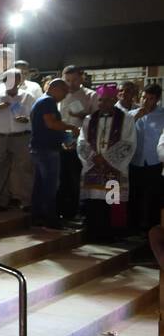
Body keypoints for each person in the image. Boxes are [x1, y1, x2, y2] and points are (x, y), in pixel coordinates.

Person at [78, 84, 136, 242]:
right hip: (93, 167)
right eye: (101, 100)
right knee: (94, 202)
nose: (104, 104)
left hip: (114, 168)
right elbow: (81, 141)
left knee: (111, 201)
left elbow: (129, 143)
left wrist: (107, 159)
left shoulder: (126, 119)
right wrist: (93, 157)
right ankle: (93, 233)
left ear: (114, 99)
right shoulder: (90, 119)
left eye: (108, 100)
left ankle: (110, 235)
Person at [29, 78, 82, 230]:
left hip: (40, 148)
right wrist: (71, 127)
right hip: (47, 150)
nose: (65, 95)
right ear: (55, 88)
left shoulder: (41, 101)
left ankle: (37, 216)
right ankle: (51, 219)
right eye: (64, 91)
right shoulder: (48, 102)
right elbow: (51, 123)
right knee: (50, 186)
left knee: (40, 185)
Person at [0, 67, 41, 209]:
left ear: (20, 82)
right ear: (4, 81)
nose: (13, 83)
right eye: (10, 80)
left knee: (25, 169)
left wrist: (27, 120)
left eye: (16, 80)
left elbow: (36, 118)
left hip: (21, 137)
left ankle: (26, 201)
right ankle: (2, 201)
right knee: (0, 168)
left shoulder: (27, 96)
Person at [56, 65, 93, 222]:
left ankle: (76, 211)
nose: (70, 84)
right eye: (67, 80)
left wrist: (82, 114)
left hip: (81, 143)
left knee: (76, 178)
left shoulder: (90, 95)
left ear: (81, 77)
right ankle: (62, 210)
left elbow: (97, 117)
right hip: (60, 142)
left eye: (74, 80)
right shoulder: (59, 95)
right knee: (61, 178)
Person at [129, 83, 164, 235]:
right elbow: (123, 134)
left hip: (154, 161)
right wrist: (136, 117)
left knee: (153, 195)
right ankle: (134, 225)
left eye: (150, 99)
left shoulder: (162, 115)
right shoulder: (132, 114)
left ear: (157, 100)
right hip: (135, 160)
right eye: (144, 97)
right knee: (135, 193)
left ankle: (151, 226)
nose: (146, 101)